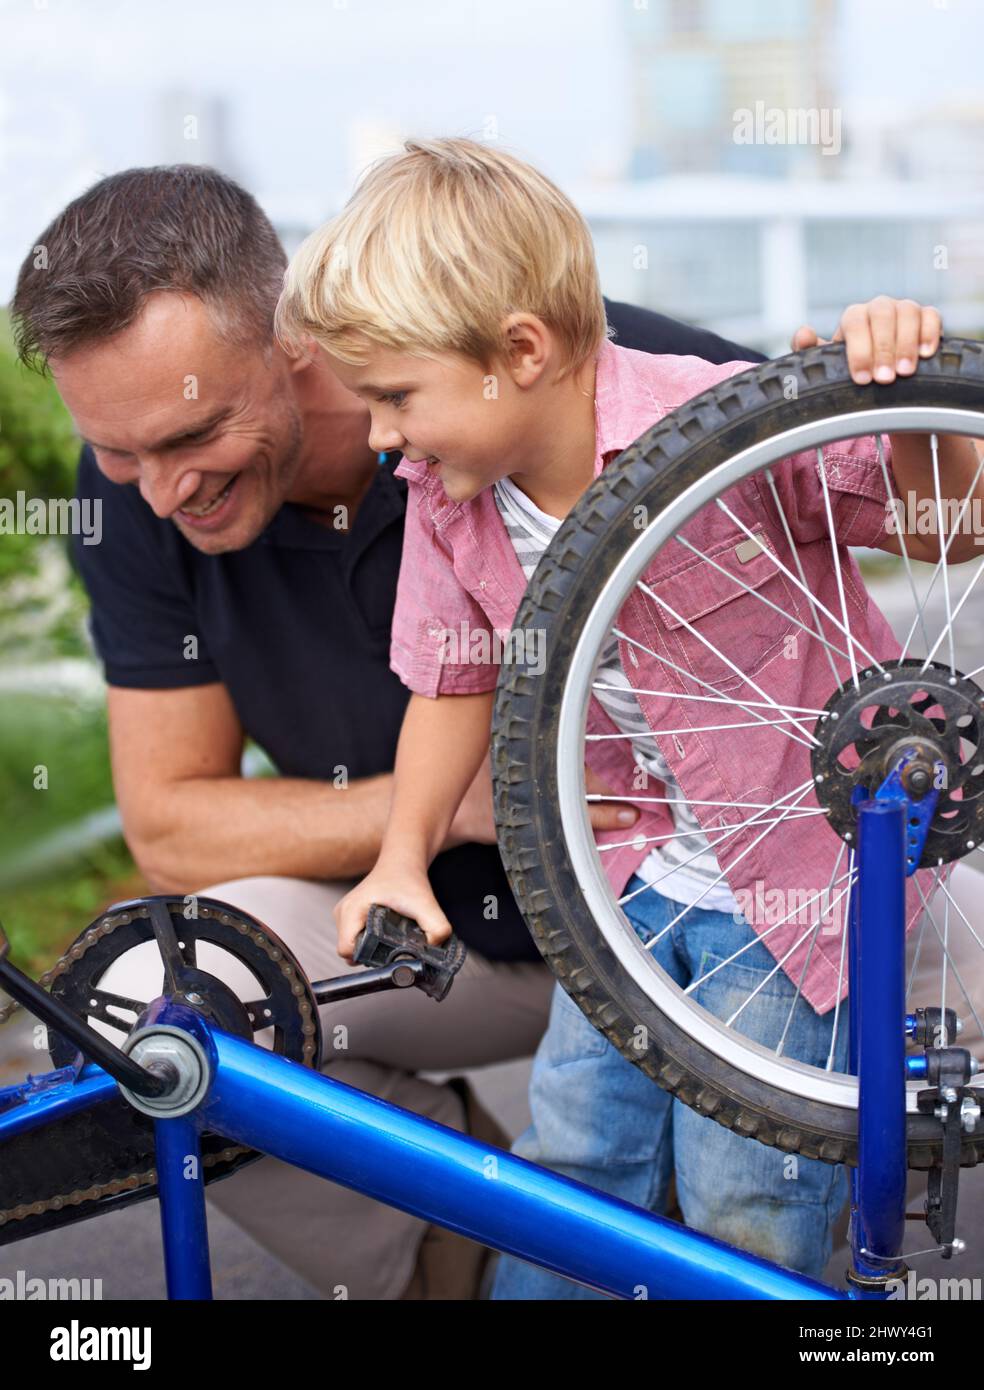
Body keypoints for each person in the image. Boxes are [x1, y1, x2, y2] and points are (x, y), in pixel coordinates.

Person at [9, 163, 765, 1299]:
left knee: (898, 1008)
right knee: (134, 1000)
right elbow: (171, 823)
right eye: (120, 452)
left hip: (717, 900)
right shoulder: (134, 490)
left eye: (192, 432)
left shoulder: (571, 372)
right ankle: (458, 1256)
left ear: (298, 336)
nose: (158, 491)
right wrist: (458, 805)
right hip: (423, 947)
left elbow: (899, 481)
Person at [276, 136, 984, 1296]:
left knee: (750, 1193)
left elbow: (946, 523)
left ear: (518, 351)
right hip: (621, 888)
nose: (382, 436)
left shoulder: (726, 426)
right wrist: (399, 858)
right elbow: (450, 681)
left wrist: (905, 405)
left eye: (397, 397)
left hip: (797, 902)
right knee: (573, 1161)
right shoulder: (448, 503)